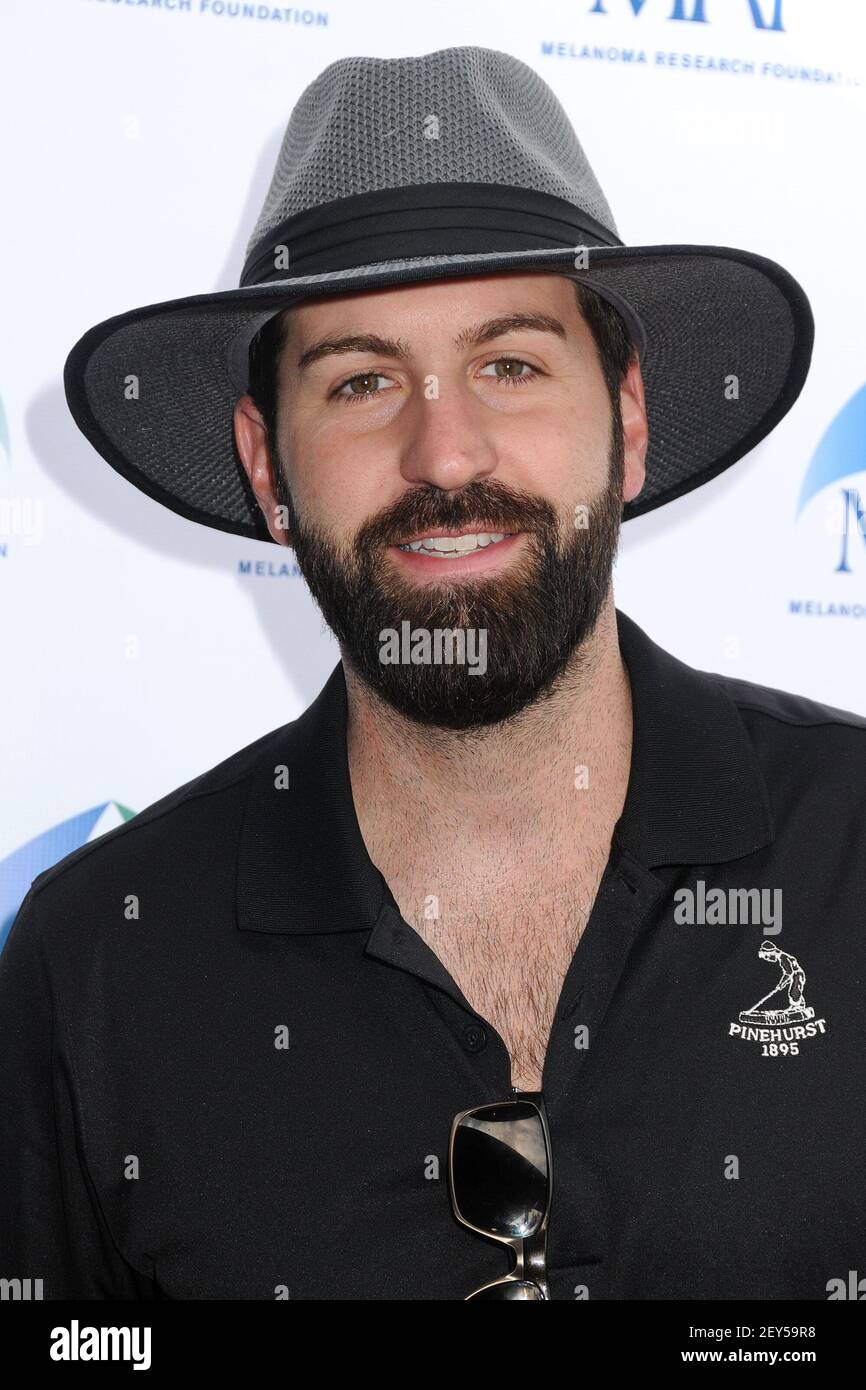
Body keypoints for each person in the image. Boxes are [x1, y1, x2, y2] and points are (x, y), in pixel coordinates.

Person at [2, 46, 864, 1302]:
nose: (441, 449)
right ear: (265, 467)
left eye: (508, 363)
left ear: (626, 419)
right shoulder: (95, 966)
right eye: (359, 381)